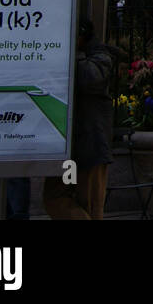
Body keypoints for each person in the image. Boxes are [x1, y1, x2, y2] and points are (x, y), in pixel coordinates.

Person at [43, 20, 117, 220]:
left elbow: (91, 79)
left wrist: (70, 56)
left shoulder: (99, 56)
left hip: (90, 146)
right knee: (55, 196)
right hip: (70, 146)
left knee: (90, 203)